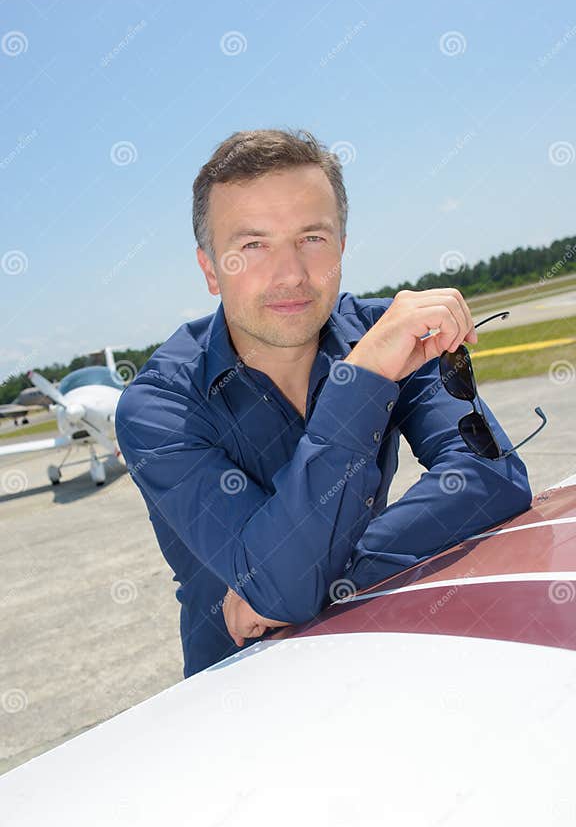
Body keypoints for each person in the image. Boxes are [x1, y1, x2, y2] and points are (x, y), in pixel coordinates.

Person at [114, 127, 532, 678]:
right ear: (211, 269)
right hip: (236, 689)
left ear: (341, 246)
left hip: (372, 639)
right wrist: (364, 380)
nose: (290, 274)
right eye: (252, 246)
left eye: (312, 238)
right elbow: (283, 589)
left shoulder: (385, 332)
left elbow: (491, 479)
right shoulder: (159, 407)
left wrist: (335, 572)